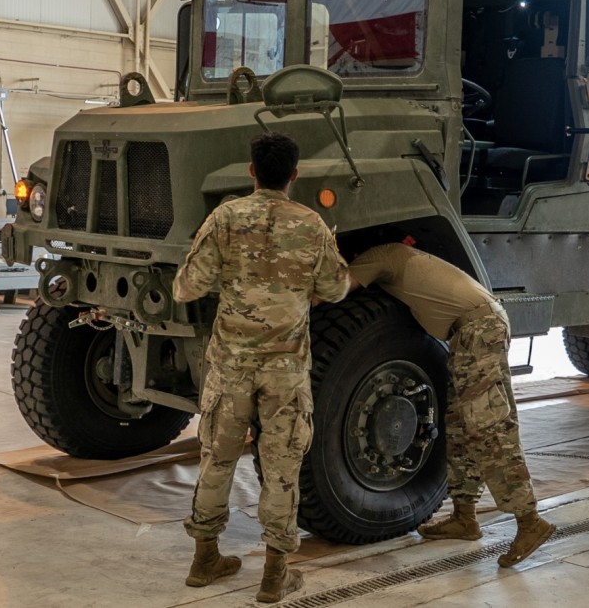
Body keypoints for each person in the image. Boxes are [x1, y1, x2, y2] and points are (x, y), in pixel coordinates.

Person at [173, 132, 349, 602]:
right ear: (295, 175)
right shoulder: (312, 225)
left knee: (217, 458)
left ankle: (204, 558)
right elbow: (337, 289)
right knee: (281, 466)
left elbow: (187, 288)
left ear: (252, 171)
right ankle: (274, 573)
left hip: (230, 366)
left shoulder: (225, 218)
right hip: (285, 372)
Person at [347, 241, 555, 568]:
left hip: (477, 328)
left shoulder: (376, 255)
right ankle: (465, 517)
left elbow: (337, 288)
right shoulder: (403, 254)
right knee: (460, 427)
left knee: (488, 429)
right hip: (477, 326)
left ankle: (530, 522)